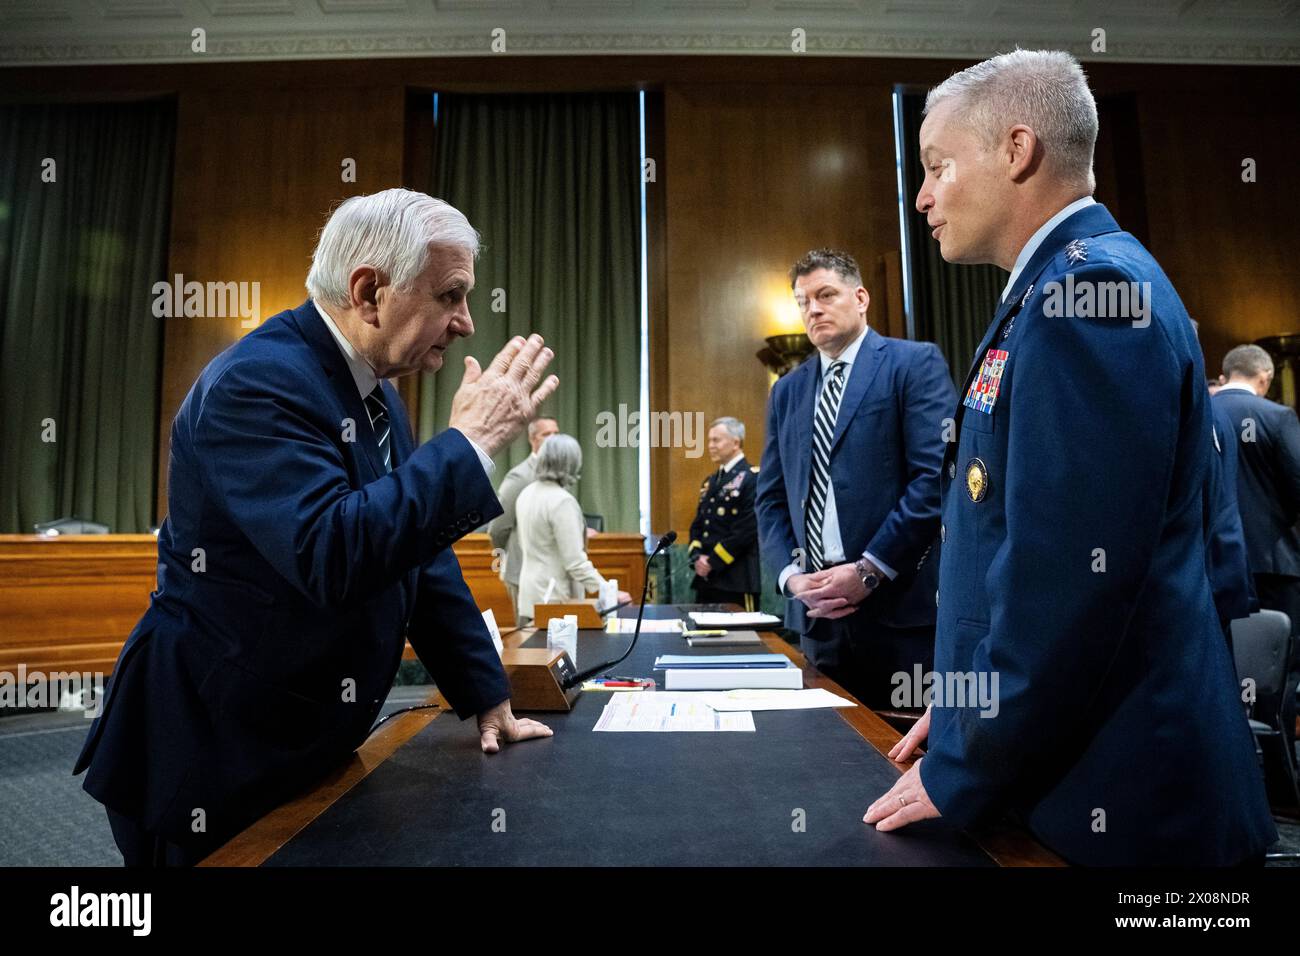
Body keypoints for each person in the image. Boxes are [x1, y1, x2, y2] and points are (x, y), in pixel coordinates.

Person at [866, 50, 1276, 865]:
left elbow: (1069, 585)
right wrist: (963, 711)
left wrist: (970, 753)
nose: (923, 196)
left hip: (1119, 798)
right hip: (1069, 762)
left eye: (938, 166)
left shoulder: (1084, 301)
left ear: (1017, 152)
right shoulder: (1059, 287)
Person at [74, 188, 558, 866]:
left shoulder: (379, 391)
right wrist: (470, 444)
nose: (467, 322)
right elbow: (331, 553)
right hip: (214, 752)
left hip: (304, 738)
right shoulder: (258, 381)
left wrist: (485, 695)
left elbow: (417, 556)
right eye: (449, 295)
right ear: (368, 292)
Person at [755, 248, 955, 709]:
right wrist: (791, 577)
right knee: (829, 760)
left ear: (861, 297)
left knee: (905, 758)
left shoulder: (912, 364)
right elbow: (770, 500)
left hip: (899, 613)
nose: (814, 309)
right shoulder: (787, 391)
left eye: (826, 294)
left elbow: (933, 480)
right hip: (818, 618)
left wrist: (868, 570)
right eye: (803, 301)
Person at [1213, 343, 1300, 749]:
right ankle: (1280, 769)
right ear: (1265, 378)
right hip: (1274, 562)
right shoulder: (1277, 416)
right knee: (1281, 667)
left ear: (1228, 373)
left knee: (1227, 666)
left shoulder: (1204, 413)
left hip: (1217, 562)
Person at [515, 434, 630, 626]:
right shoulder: (562, 501)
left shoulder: (526, 493)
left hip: (529, 595)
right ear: (571, 464)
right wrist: (609, 591)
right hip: (555, 597)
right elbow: (575, 562)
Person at [488, 416, 559, 621]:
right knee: (528, 640)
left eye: (557, 433)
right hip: (522, 573)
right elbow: (498, 527)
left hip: (550, 573)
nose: (554, 439)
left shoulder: (558, 474)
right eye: (547, 434)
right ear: (533, 439)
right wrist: (508, 556)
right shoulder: (520, 477)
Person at [688, 417, 761, 610]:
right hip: (706, 579)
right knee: (703, 637)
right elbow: (698, 525)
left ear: (736, 442)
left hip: (736, 579)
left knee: (742, 638)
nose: (711, 446)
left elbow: (747, 529)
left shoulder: (751, 479)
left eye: (716, 440)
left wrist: (713, 561)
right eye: (709, 440)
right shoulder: (710, 481)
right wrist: (697, 557)